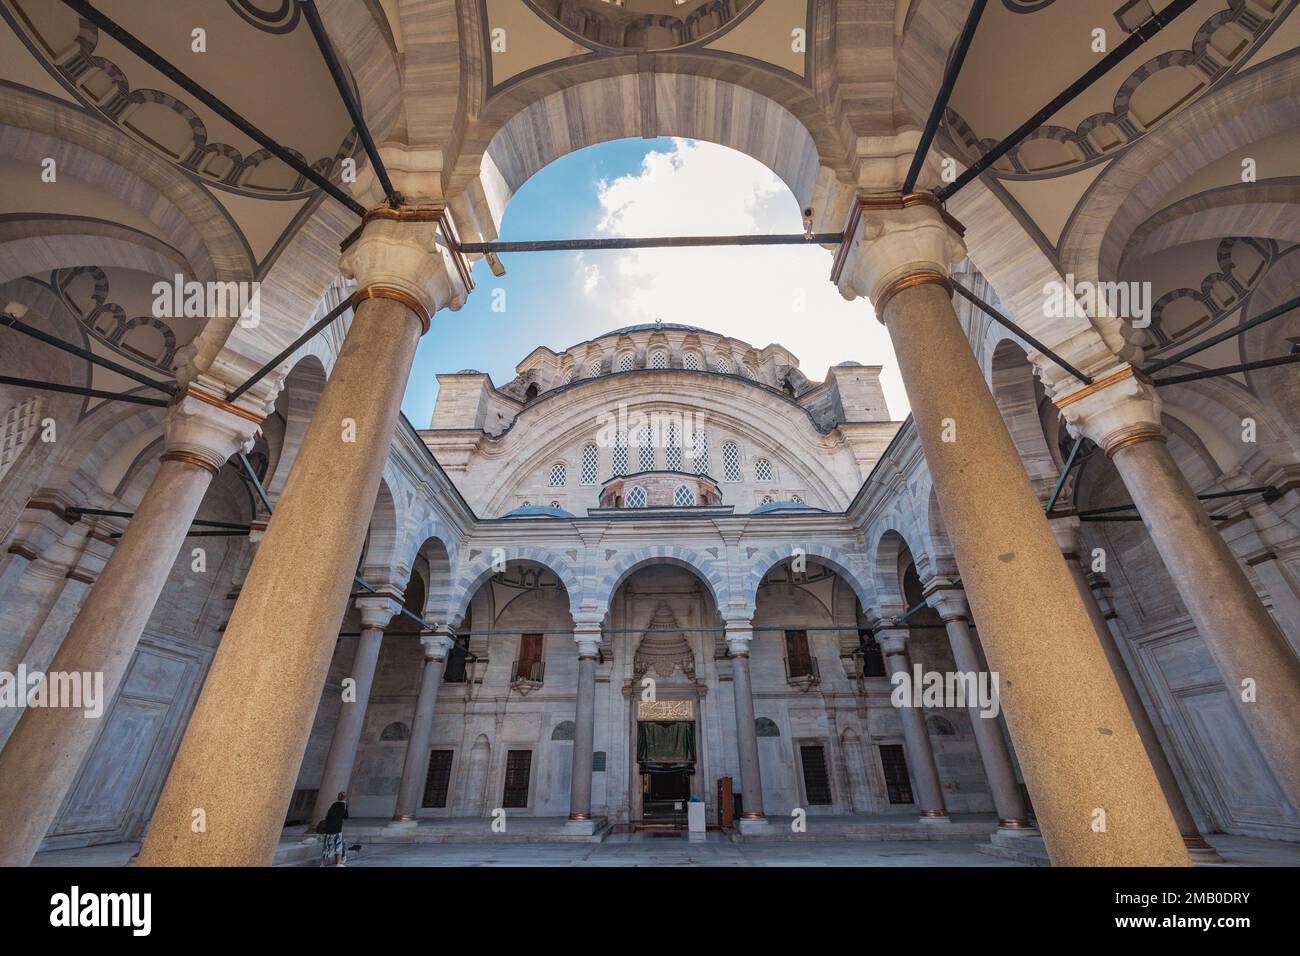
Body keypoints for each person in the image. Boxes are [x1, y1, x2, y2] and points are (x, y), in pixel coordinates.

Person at [318, 791, 348, 866]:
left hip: (328, 829)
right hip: (337, 829)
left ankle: (322, 864)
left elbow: (327, 815)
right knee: (338, 846)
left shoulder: (334, 804)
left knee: (326, 847)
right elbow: (346, 816)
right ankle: (338, 863)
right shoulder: (344, 805)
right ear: (345, 798)